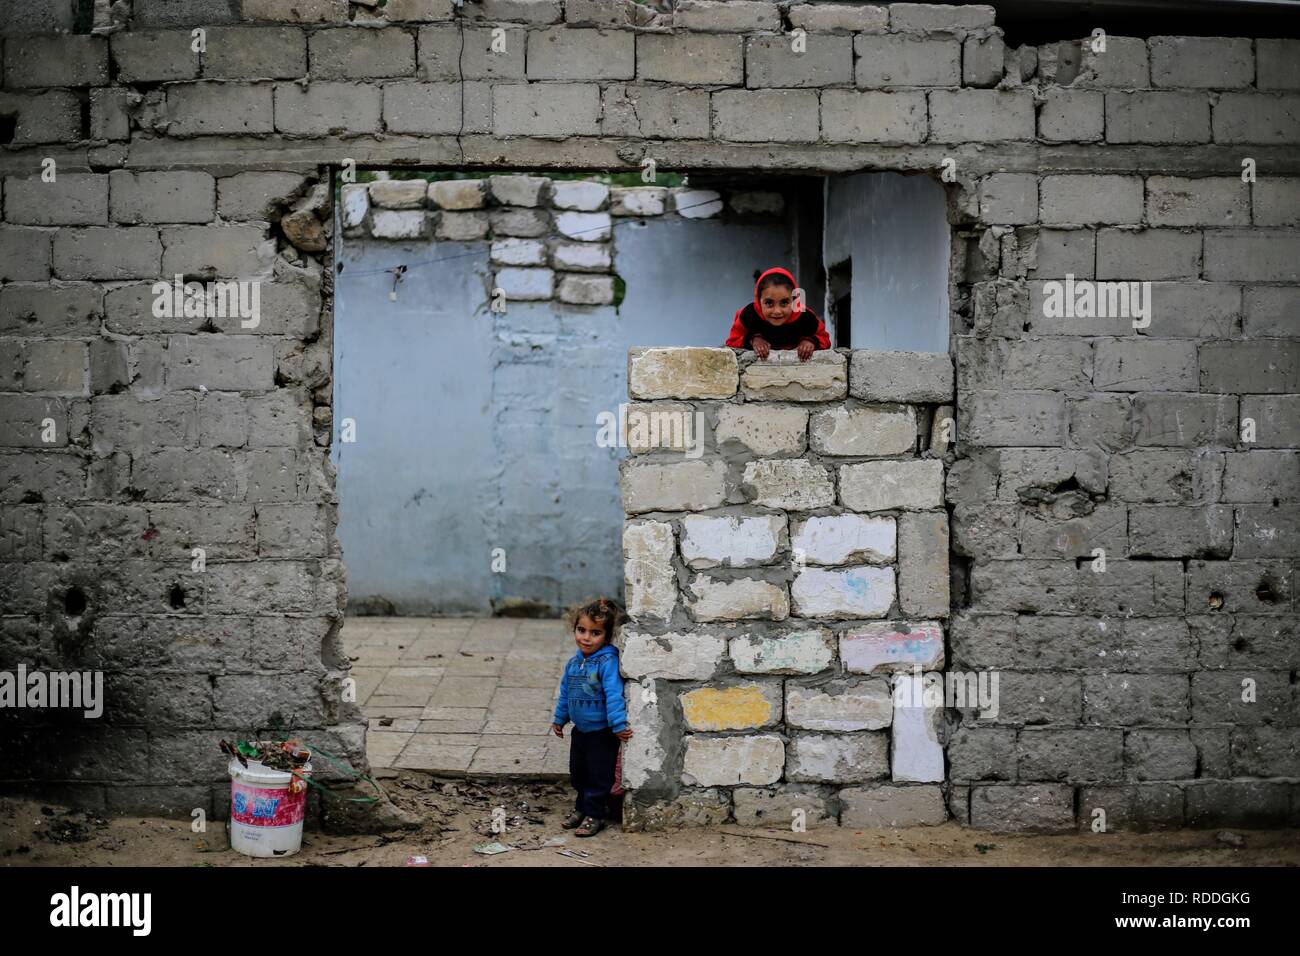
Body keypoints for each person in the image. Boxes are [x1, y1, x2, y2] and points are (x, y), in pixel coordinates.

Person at [550, 598, 632, 837]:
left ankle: (595, 815)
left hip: (602, 733)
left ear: (606, 637)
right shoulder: (574, 663)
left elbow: (614, 695)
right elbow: (566, 692)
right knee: (579, 773)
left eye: (595, 633)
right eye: (581, 630)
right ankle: (581, 808)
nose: (586, 637)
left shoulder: (607, 661)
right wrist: (560, 718)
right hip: (580, 730)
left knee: (598, 776)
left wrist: (618, 725)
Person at [725, 266, 831, 361]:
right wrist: (753, 340)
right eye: (769, 303)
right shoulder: (749, 316)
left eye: (784, 303)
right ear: (758, 300)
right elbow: (732, 342)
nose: (777, 311)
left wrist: (810, 342)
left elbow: (825, 339)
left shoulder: (806, 318)